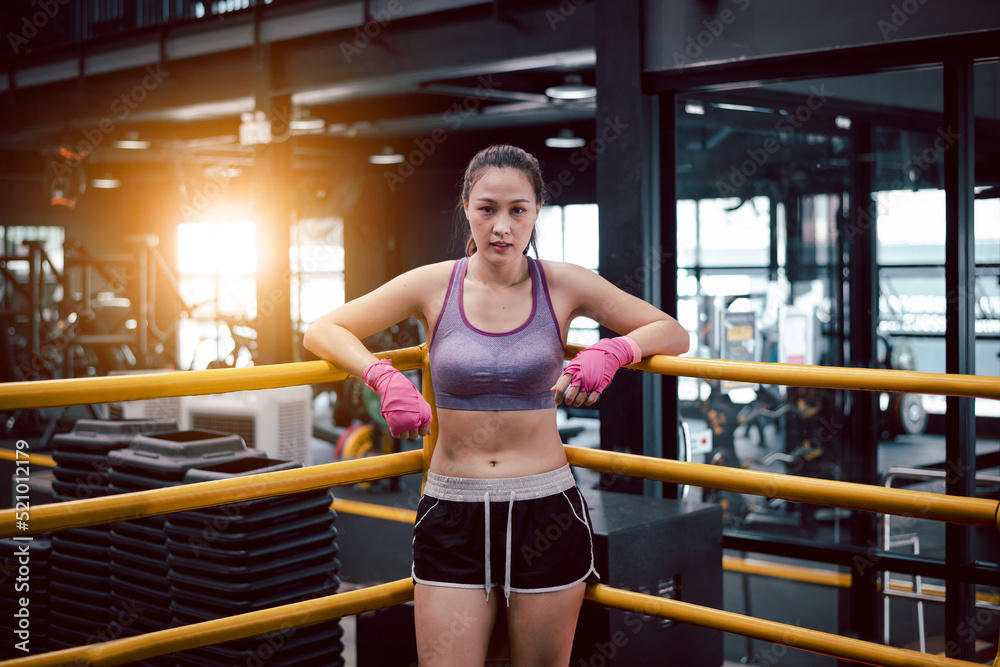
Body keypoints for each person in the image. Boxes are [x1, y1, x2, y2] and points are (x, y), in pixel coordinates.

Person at [303, 144, 689, 666]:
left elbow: (672, 331)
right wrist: (382, 376)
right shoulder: (435, 284)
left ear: (536, 212)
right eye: (487, 209)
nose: (501, 226)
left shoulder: (563, 282)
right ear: (467, 208)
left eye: (517, 210)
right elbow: (324, 329)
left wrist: (615, 349)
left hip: (545, 509)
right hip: (452, 508)